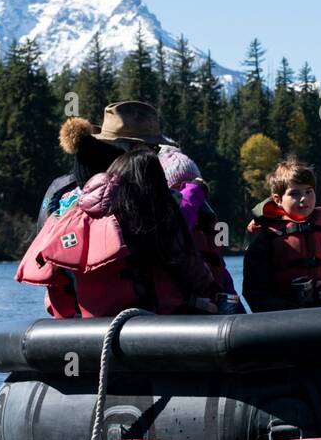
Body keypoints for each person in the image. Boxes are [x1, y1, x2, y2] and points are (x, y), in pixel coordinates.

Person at [17, 147, 235, 317]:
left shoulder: (74, 215)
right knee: (217, 307)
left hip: (89, 319)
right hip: (153, 315)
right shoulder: (158, 216)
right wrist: (212, 293)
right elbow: (191, 271)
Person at [242, 158, 321, 312]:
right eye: (294, 193)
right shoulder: (265, 235)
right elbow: (254, 292)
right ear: (278, 199)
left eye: (308, 191)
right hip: (286, 321)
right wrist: (290, 310)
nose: (304, 198)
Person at [37, 100, 175, 229]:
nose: (153, 156)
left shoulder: (66, 189)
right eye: (151, 148)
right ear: (130, 150)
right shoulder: (129, 200)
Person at [158, 146, 237, 296]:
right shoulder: (166, 220)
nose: (190, 193)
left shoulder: (213, 222)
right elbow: (180, 228)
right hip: (188, 306)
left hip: (217, 304)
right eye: (181, 189)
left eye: (191, 186)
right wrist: (193, 193)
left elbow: (221, 267)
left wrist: (236, 307)